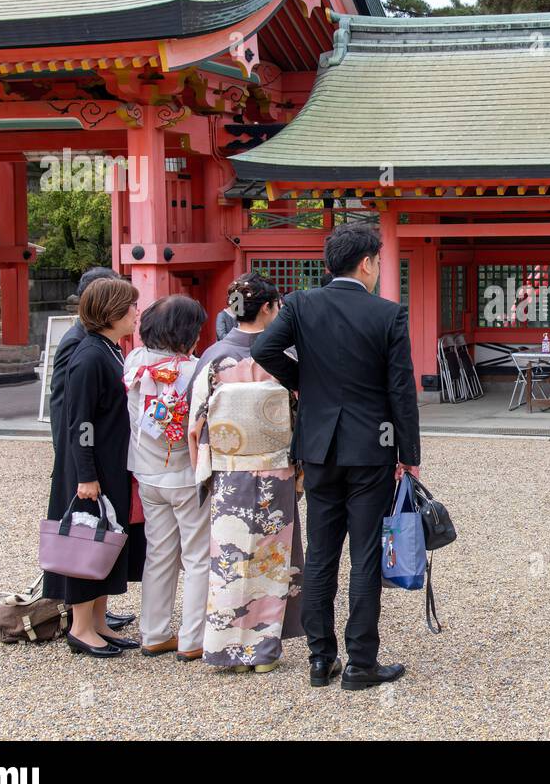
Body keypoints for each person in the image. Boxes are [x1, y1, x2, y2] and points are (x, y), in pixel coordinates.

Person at [253, 222, 421, 691]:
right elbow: (401, 389)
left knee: (323, 555)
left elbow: (263, 347)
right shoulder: (388, 315)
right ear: (366, 263)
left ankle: (319, 658)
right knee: (365, 555)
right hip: (371, 446)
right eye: (379, 262)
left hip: (319, 445)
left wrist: (304, 381)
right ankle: (360, 662)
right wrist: (409, 453)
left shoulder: (303, 304)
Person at [187, 273, 303, 674]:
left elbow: (196, 424)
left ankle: (226, 650)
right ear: (270, 307)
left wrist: (205, 466)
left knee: (230, 557)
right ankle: (263, 651)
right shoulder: (283, 356)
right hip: (276, 469)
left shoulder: (214, 356)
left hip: (231, 472)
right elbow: (300, 412)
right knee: (272, 558)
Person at [45, 277, 142, 657]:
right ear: (113, 312)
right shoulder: (88, 355)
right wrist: (85, 474)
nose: (137, 314)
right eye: (132, 307)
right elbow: (80, 421)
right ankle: (82, 626)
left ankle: (99, 620)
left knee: (107, 538)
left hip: (111, 462)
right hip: (91, 467)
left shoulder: (110, 349)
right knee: (86, 539)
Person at [123, 296, 208, 661]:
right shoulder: (194, 372)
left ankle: (154, 632)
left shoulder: (135, 362)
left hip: (148, 472)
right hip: (186, 477)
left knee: (159, 554)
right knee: (198, 556)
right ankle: (193, 638)